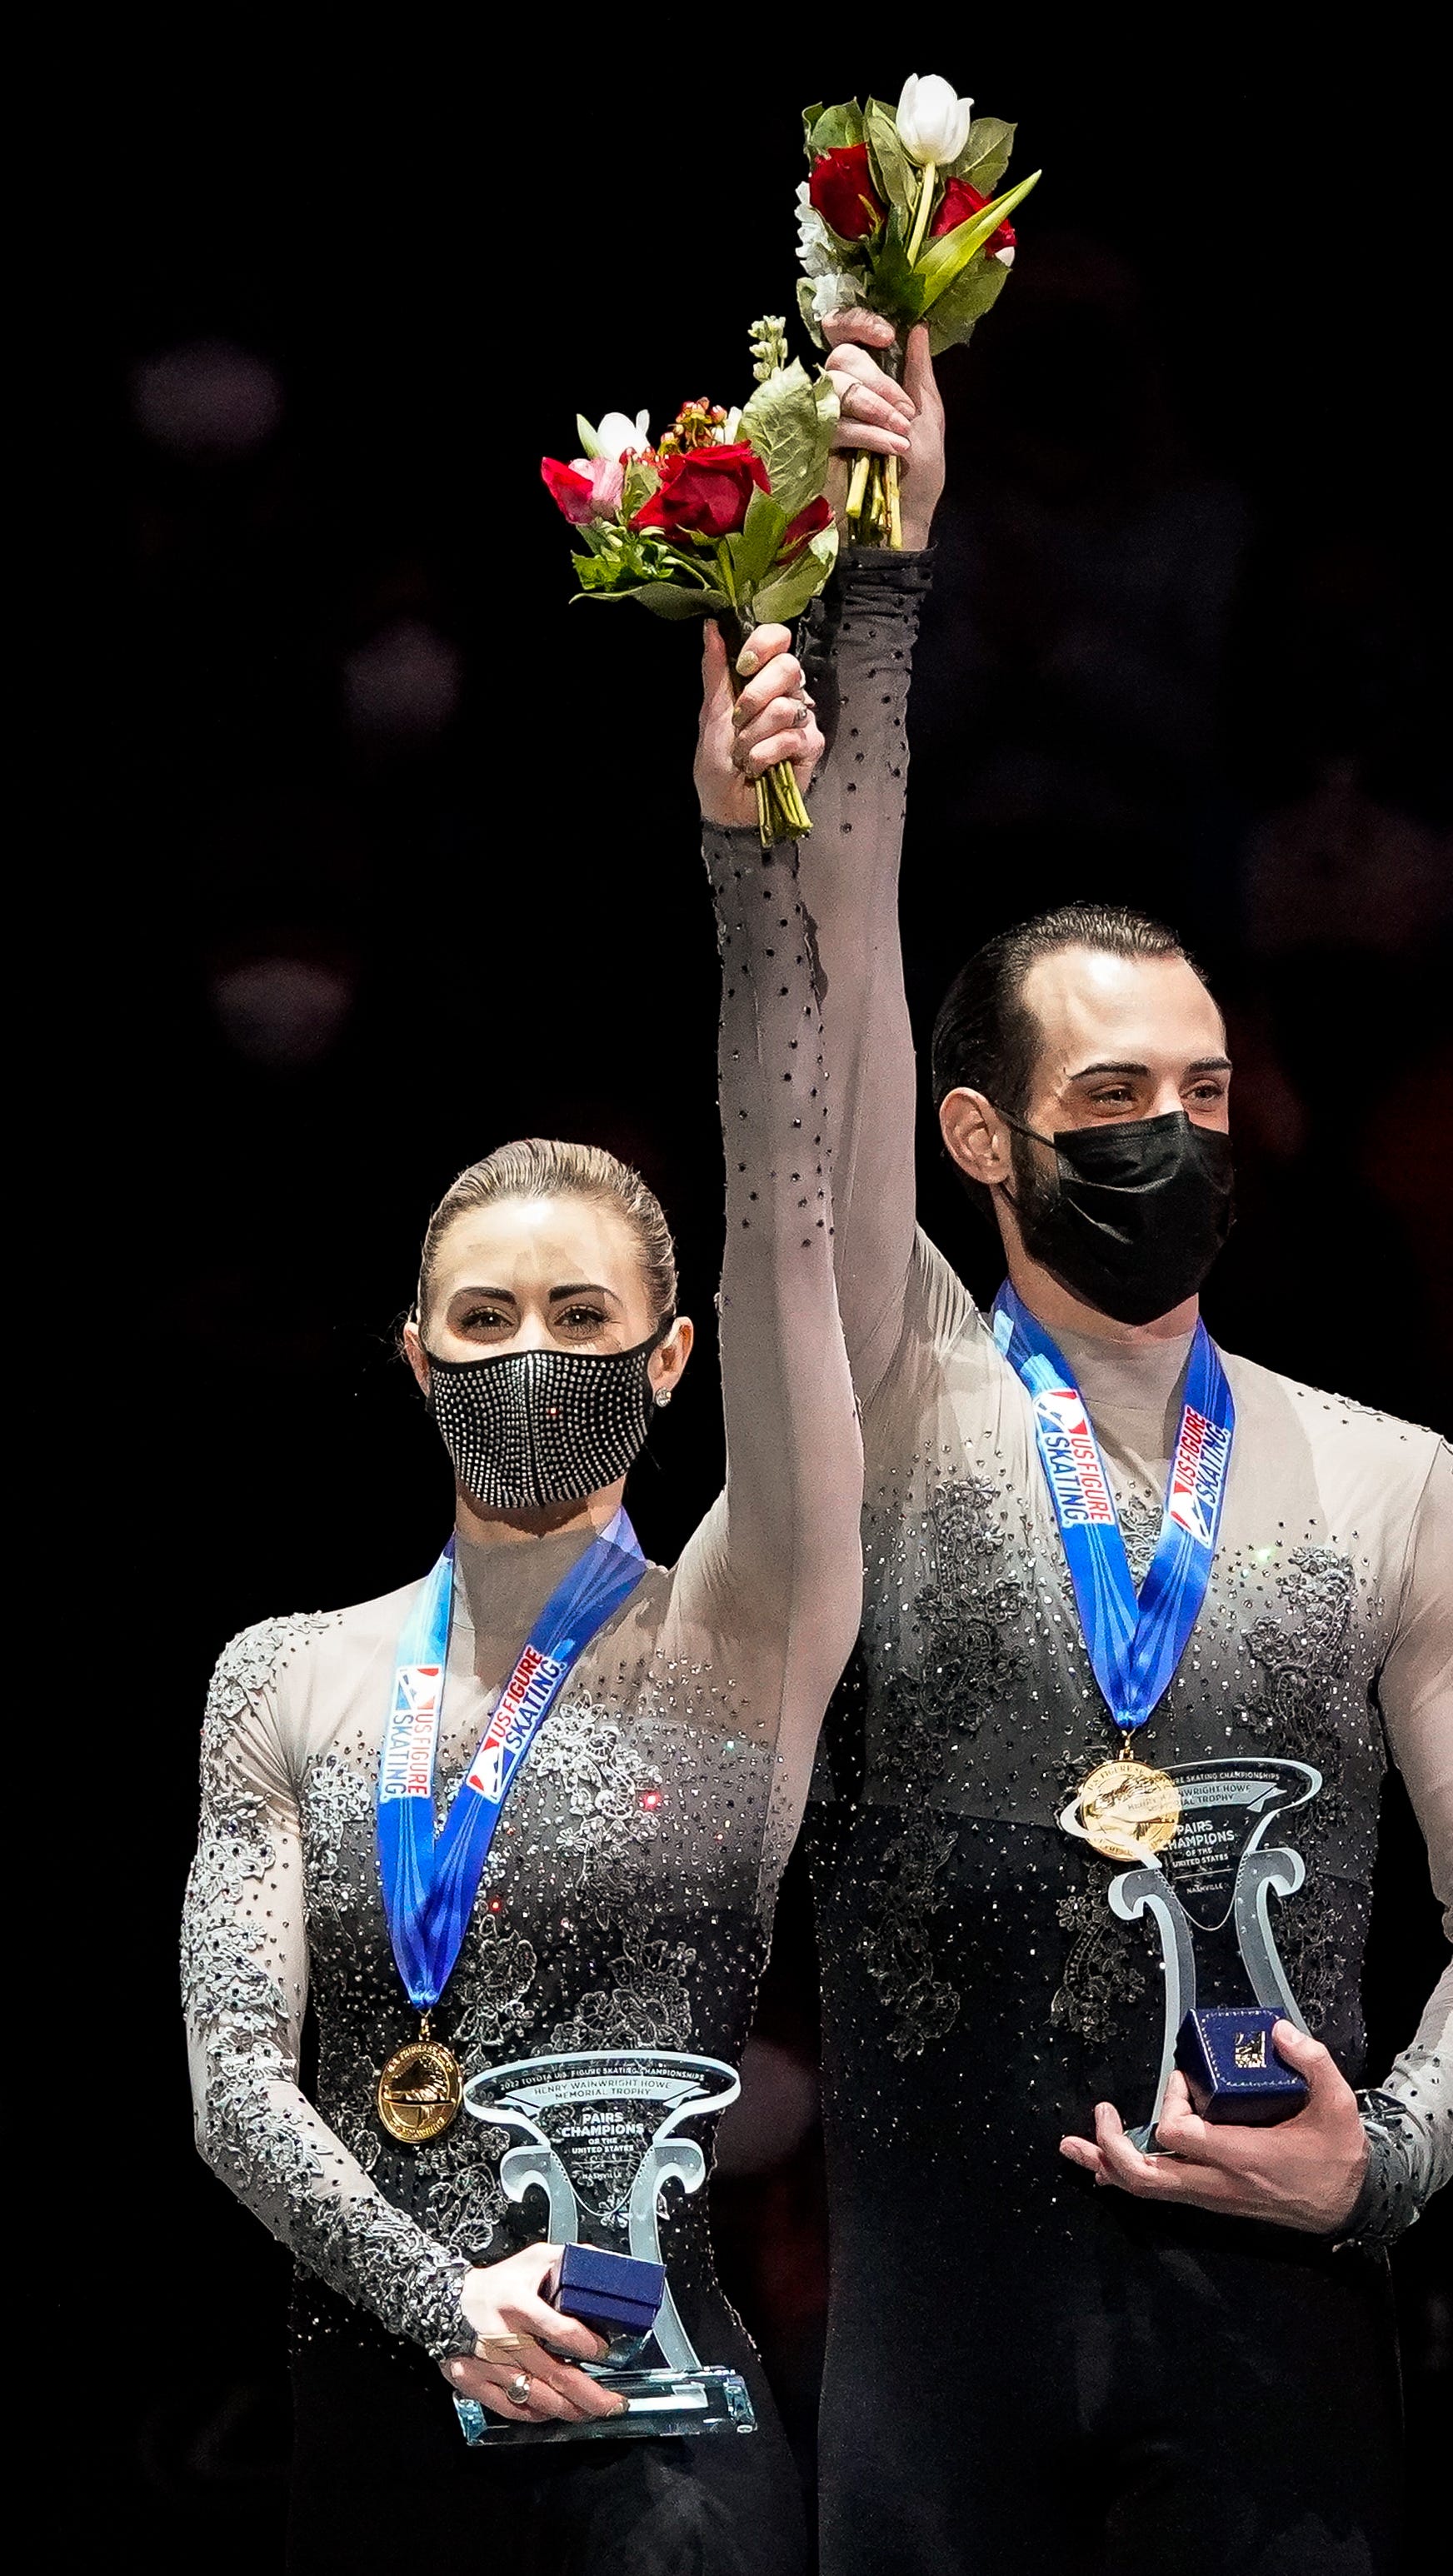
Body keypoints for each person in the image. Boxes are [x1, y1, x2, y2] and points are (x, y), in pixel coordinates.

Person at [771, 313, 1453, 2574]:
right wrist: (882, 591)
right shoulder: (901, 1394)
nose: (1169, 1137)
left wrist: (1394, 2149)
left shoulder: (1387, 1482)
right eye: (1107, 1102)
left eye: (1204, 1094)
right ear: (976, 1139)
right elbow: (833, 977)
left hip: (1275, 2314)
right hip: (939, 2320)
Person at [182, 628, 853, 2576]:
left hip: (671, 2442)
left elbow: (800, 1224)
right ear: (412, 1357)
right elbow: (235, 2084)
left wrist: (752, 869)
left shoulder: (748, 1623)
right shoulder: (284, 1676)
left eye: (581, 1317)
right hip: (379, 2411)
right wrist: (441, 2297)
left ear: (668, 1361)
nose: (528, 1352)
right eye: (485, 1318)